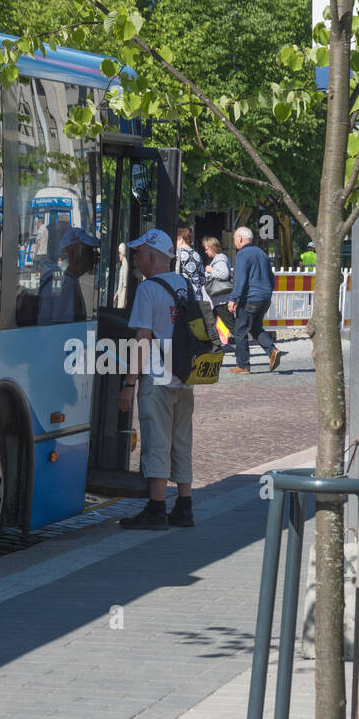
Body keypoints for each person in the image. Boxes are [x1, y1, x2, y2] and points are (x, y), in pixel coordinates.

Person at [118, 228, 195, 531]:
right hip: (184, 377)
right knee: (182, 441)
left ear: (153, 256)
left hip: (158, 376)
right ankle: (185, 507)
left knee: (156, 442)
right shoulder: (185, 285)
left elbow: (142, 339)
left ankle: (156, 508)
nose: (135, 258)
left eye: (139, 253)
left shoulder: (148, 290)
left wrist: (128, 383)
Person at [227, 226, 281, 373]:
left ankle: (243, 365)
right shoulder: (262, 254)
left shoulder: (242, 255)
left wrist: (233, 299)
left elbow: (240, 280)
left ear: (240, 239)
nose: (235, 243)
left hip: (250, 298)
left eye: (235, 240)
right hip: (264, 298)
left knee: (240, 331)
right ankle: (272, 351)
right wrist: (267, 292)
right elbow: (271, 277)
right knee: (255, 327)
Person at [37, 228, 98, 324]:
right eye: (88, 251)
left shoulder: (58, 278)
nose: (93, 257)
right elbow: (62, 328)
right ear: (74, 253)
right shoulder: (66, 283)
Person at [203, 235, 234, 332]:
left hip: (221, 299)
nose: (205, 251)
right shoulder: (219, 259)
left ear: (212, 248)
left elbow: (224, 274)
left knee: (231, 324)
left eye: (207, 249)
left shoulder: (220, 259)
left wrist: (211, 270)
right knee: (209, 323)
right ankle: (213, 345)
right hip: (218, 299)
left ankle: (242, 343)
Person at [175, 226, 207, 300]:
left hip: (182, 295)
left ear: (182, 240)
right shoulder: (197, 254)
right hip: (197, 295)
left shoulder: (177, 254)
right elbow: (203, 278)